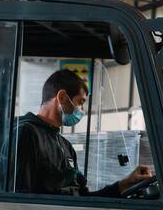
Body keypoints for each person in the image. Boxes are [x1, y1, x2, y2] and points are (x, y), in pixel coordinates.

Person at [14, 68, 153, 196]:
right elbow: (20, 196)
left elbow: (84, 199)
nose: (81, 110)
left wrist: (126, 183)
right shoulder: (28, 133)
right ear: (62, 97)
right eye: (80, 102)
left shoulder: (65, 146)